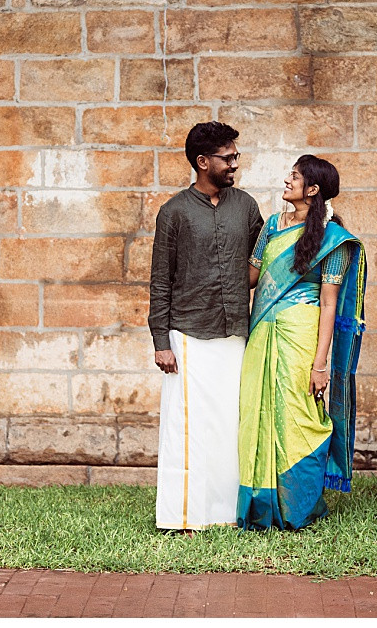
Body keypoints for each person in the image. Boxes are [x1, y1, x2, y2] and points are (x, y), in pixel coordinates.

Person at [237, 154, 367, 531]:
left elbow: (329, 303)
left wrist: (320, 362)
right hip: (262, 332)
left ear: (312, 189)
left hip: (302, 337)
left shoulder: (333, 239)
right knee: (257, 411)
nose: (286, 181)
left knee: (299, 416)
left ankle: (297, 506)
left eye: (294, 177)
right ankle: (259, 504)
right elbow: (251, 276)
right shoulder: (273, 225)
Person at [150, 121, 264, 531]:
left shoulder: (247, 206)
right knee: (188, 431)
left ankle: (226, 515)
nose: (235, 164)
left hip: (235, 332)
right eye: (227, 158)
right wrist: (161, 341)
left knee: (228, 427)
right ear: (203, 162)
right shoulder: (174, 213)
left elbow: (265, 260)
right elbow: (161, 280)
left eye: (236, 156)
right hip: (188, 336)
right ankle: (183, 517)